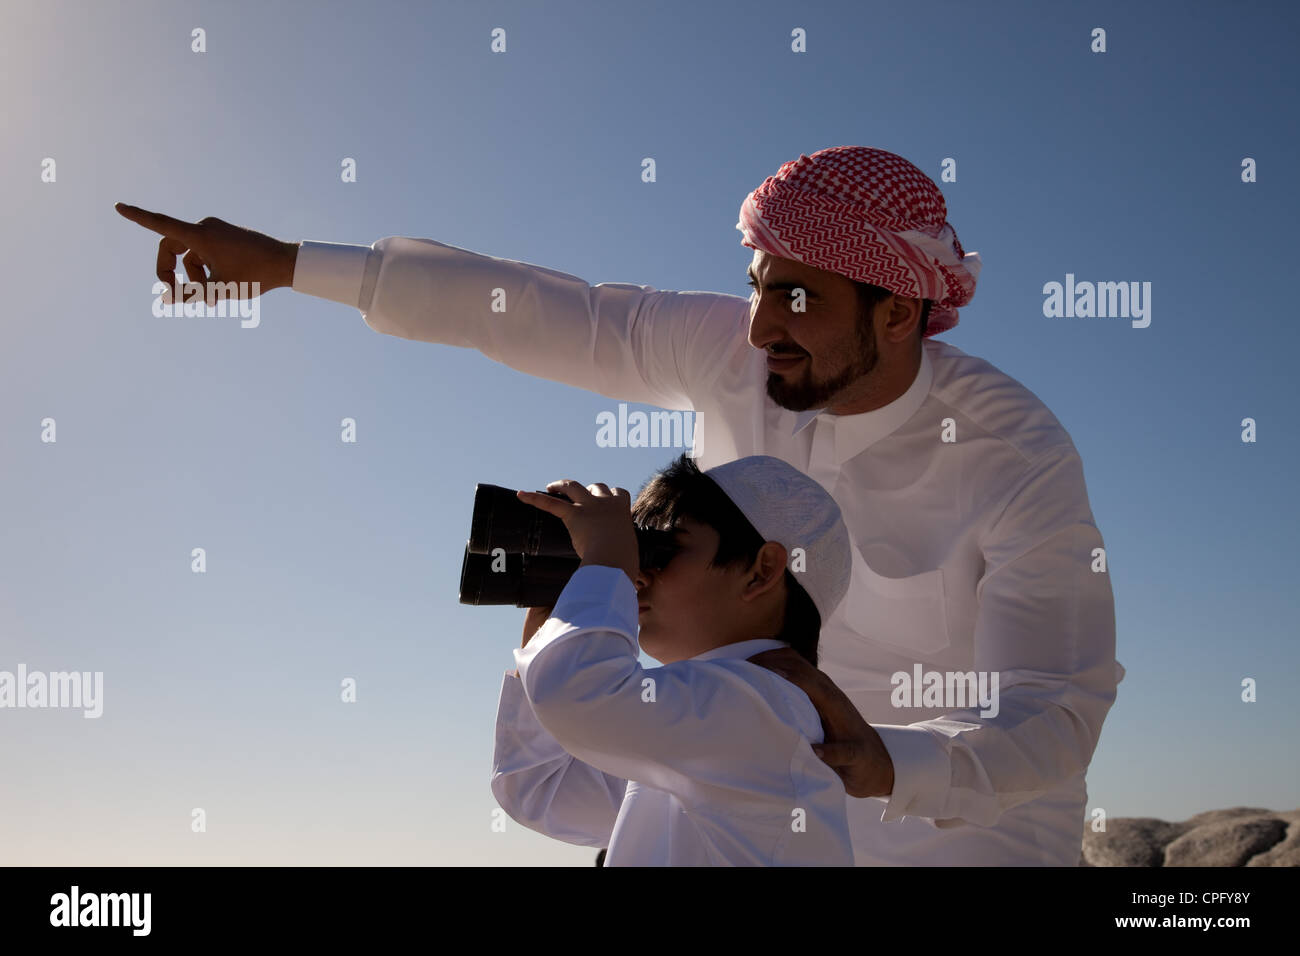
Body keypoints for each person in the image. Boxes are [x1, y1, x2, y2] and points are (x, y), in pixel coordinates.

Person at [114, 144, 1124, 865]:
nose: (760, 324)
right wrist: (289, 264)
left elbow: (1059, 709)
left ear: (897, 311)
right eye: (757, 285)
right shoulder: (737, 349)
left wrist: (886, 762)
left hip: (954, 830)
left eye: (798, 298)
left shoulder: (1013, 451)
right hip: (721, 791)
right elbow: (550, 314)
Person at [493, 452, 855, 865]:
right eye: (639, 555)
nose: (639, 575)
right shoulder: (713, 723)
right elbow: (541, 788)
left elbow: (576, 698)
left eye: (661, 552)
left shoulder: (761, 707)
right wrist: (555, 616)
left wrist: (604, 567)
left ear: (761, 571)